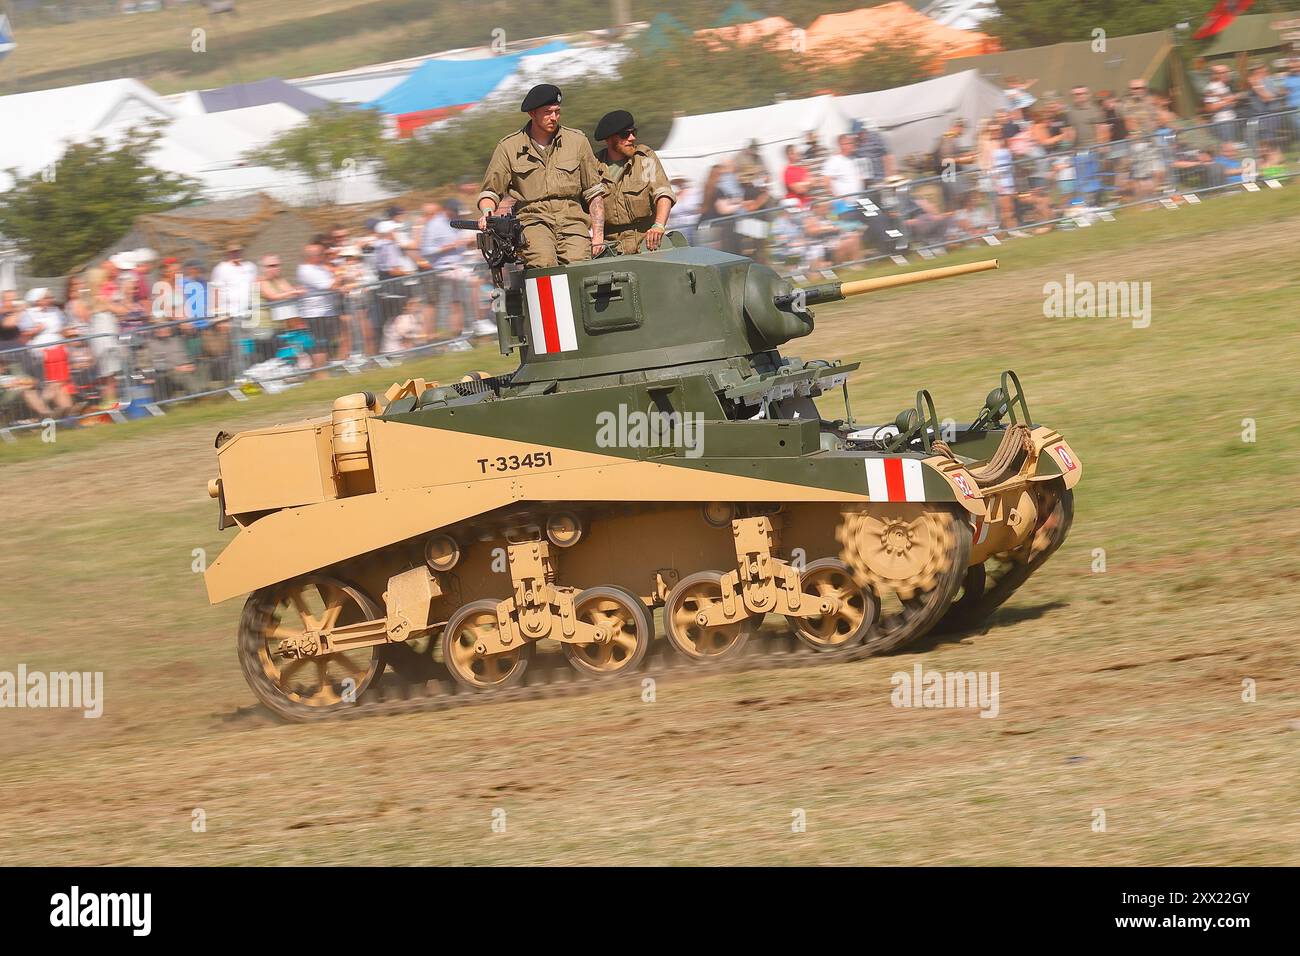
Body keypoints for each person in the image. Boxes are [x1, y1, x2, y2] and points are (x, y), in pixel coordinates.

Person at [477, 84, 607, 267]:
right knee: (543, 261)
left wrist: (598, 236)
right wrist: (487, 212)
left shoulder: (577, 141)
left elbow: (594, 192)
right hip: (533, 220)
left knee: (579, 266)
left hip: (572, 220)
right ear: (532, 114)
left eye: (557, 111)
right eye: (547, 112)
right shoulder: (509, 147)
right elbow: (490, 192)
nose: (554, 117)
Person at [593, 110, 676, 254]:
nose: (632, 138)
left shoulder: (645, 159)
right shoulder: (593, 166)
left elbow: (663, 193)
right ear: (609, 139)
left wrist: (659, 225)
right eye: (625, 134)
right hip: (610, 248)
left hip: (648, 243)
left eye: (633, 132)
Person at [297, 243, 341, 369]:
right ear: (312, 256)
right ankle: (320, 372)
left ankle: (327, 368)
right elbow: (330, 285)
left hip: (326, 311)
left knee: (328, 343)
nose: (324, 256)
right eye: (321, 254)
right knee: (320, 345)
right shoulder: (307, 270)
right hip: (316, 313)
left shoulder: (319, 267)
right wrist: (340, 273)